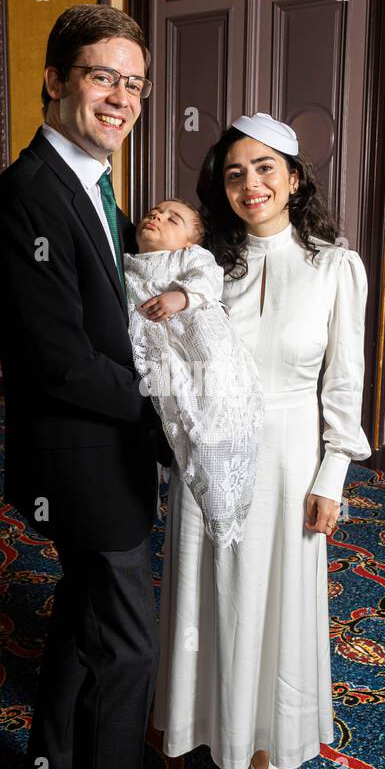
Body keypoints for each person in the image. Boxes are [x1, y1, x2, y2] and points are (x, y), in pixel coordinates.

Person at [0, 4, 174, 769]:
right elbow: (57, 360)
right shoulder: (29, 195)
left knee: (79, 611)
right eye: (103, 77)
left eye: (134, 83)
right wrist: (162, 403)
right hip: (79, 457)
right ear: (55, 80)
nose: (123, 98)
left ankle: (46, 766)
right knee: (130, 644)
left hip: (106, 452)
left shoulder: (96, 187)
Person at [152, 113, 371, 769]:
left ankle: (268, 734)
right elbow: (165, 358)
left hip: (292, 454)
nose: (251, 184)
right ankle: (232, 755)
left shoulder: (337, 268)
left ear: (295, 179)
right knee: (218, 600)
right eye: (234, 172)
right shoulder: (203, 267)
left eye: (266, 169)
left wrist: (331, 473)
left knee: (278, 599)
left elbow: (343, 384)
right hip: (214, 450)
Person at [124, 198, 265, 547]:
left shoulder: (190, 258)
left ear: (190, 242)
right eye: (154, 212)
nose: (156, 215)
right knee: (174, 422)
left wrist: (181, 297)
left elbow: (209, 278)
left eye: (173, 219)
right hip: (159, 356)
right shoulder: (126, 266)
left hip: (198, 347)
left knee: (211, 423)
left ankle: (224, 507)